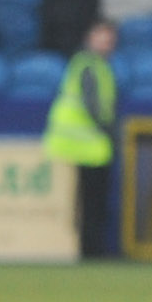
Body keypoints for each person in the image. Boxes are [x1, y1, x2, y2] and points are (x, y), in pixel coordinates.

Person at [42, 19, 119, 259]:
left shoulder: (93, 65)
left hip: (87, 144)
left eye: (109, 40)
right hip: (87, 143)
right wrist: (107, 128)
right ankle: (91, 251)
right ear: (89, 38)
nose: (105, 44)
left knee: (89, 202)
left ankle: (90, 249)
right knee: (91, 203)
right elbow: (93, 104)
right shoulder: (89, 65)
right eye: (101, 38)